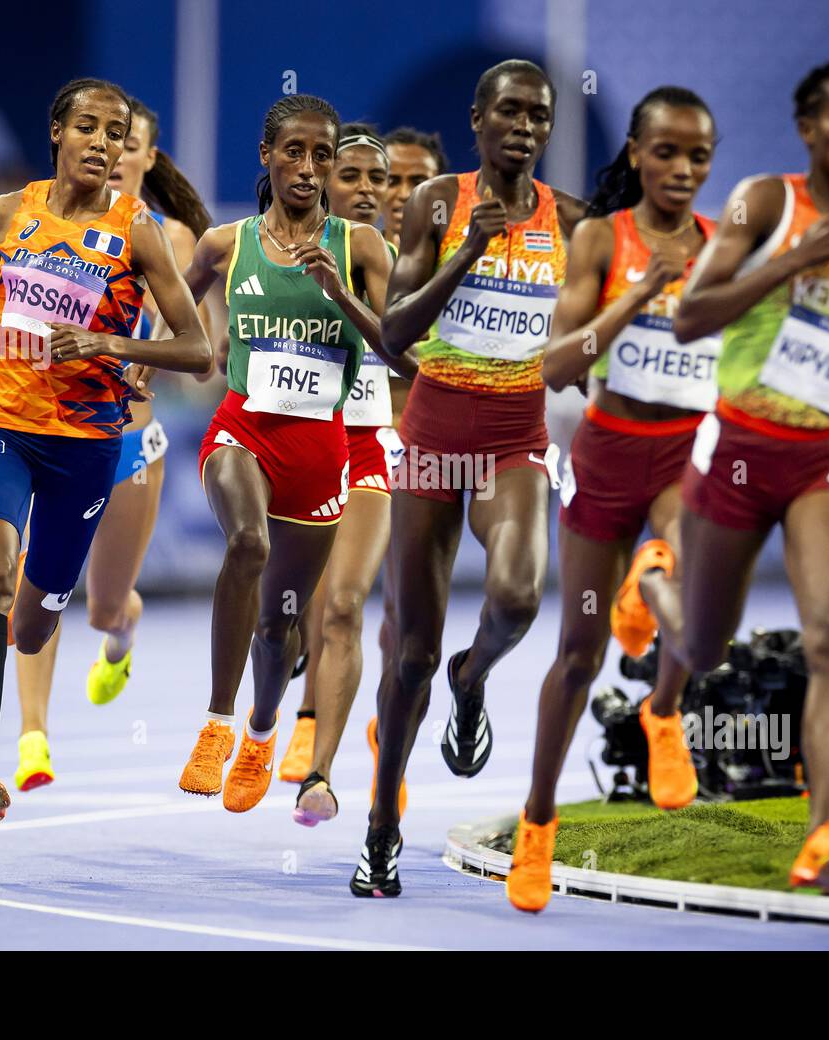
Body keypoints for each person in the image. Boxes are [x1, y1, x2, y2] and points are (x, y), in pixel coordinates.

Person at [0, 78, 210, 822]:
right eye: (89, 127)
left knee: (30, 624)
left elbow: (195, 350)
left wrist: (110, 342)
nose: (102, 142)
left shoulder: (138, 231)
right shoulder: (11, 212)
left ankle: (102, 624)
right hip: (2, 425)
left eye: (116, 131)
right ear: (57, 133)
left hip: (89, 449)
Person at [666, 60, 829, 894]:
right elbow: (689, 316)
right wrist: (795, 258)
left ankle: (820, 835)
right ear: (809, 128)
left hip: (827, 461)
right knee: (705, 645)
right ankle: (654, 593)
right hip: (740, 451)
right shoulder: (765, 203)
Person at [351, 60, 586, 897]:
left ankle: (473, 677)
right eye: (510, 111)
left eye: (540, 115)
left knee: (519, 600)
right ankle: (381, 827)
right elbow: (393, 332)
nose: (525, 126)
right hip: (432, 436)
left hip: (514, 439)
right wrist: (473, 248)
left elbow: (586, 346)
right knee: (409, 654)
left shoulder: (573, 221)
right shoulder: (437, 204)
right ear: (480, 119)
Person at [506, 87, 720, 913]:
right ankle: (538, 822)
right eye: (665, 151)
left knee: (683, 558)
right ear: (635, 153)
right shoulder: (603, 237)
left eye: (697, 156)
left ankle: (663, 711)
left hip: (684, 450)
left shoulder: (723, 247)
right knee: (577, 655)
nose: (681, 169)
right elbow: (558, 365)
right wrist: (639, 294)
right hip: (605, 451)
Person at [174, 95, 396, 818]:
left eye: (322, 156)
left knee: (282, 626)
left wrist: (339, 291)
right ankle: (216, 722)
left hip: (320, 454)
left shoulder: (361, 248)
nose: (308, 168)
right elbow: (177, 311)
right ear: (267, 155)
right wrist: (155, 359)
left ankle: (264, 732)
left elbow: (403, 351)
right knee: (246, 543)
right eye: (294, 152)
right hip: (242, 432)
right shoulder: (224, 244)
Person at [13, 96, 214, 792]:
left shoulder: (173, 238)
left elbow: (194, 342)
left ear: (148, 157)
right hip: (54, 429)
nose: (115, 151)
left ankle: (122, 632)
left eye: (129, 142)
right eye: (102, 137)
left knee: (101, 605)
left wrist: (141, 349)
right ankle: (33, 737)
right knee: (38, 583)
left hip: (129, 444)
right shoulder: (53, 220)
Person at [274, 124, 417, 824]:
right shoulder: (277, 247)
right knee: (286, 610)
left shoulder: (389, 258)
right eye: (351, 175)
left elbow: (403, 356)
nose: (366, 190)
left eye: (378, 180)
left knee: (345, 604)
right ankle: (273, 715)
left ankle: (320, 773)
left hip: (365, 444)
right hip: (294, 440)